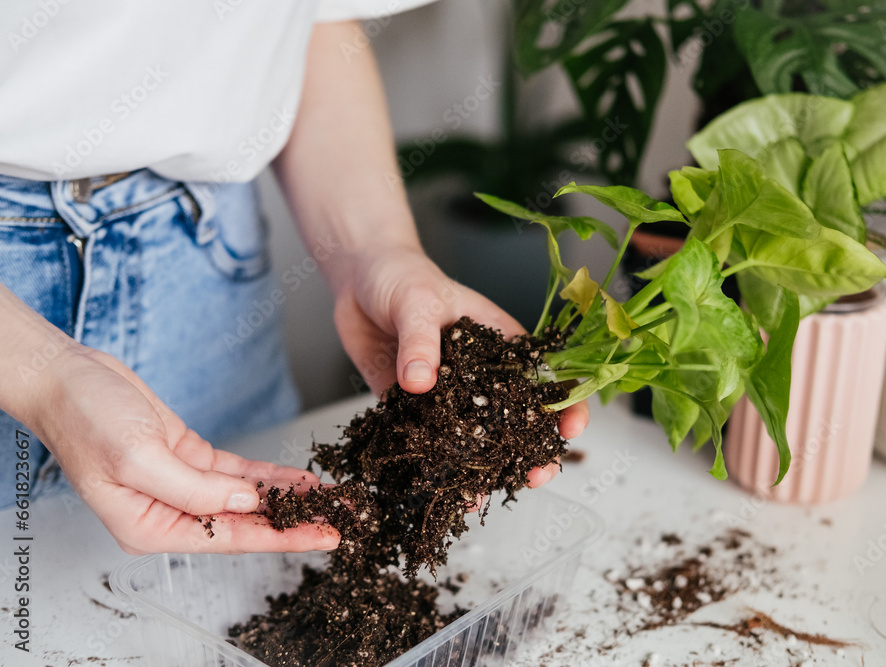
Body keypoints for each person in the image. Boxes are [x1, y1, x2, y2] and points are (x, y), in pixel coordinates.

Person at [0, 2, 587, 556]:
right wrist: (43, 378)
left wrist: (376, 250)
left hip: (202, 261)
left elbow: (305, 19)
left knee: (233, 572)